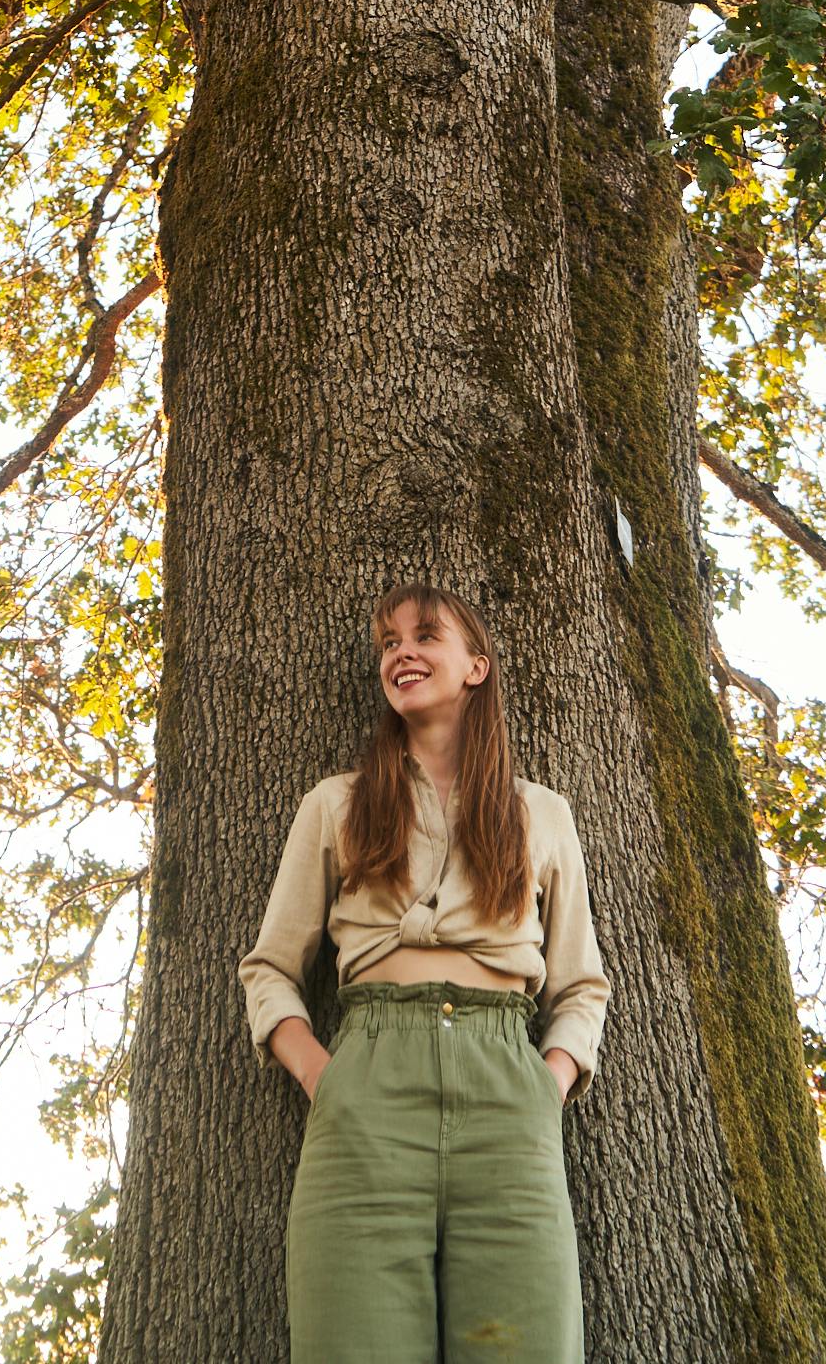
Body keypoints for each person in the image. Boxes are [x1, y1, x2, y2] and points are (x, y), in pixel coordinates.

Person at [237, 579, 611, 1362]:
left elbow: (580, 984)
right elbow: (270, 968)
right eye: (388, 644)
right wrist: (322, 1076)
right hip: (366, 1094)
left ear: (476, 666)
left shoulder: (542, 813)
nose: (401, 652)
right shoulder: (333, 806)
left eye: (424, 636)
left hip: (507, 1095)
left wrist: (546, 1083)